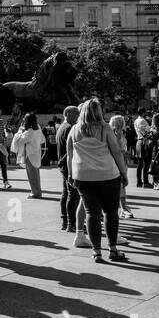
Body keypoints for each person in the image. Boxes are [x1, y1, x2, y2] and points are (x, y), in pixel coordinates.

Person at [68, 99, 128, 263]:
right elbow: (116, 152)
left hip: (84, 176)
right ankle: (113, 249)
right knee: (111, 212)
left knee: (91, 213)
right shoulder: (105, 128)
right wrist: (123, 173)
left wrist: (71, 175)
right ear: (98, 112)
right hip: (108, 175)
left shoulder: (74, 130)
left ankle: (96, 252)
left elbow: (70, 155)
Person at [57, 106, 81, 232]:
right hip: (68, 165)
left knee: (66, 193)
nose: (78, 117)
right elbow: (72, 149)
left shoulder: (62, 127)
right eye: (76, 114)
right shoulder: (69, 128)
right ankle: (71, 223)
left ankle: (65, 221)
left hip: (63, 164)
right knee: (73, 194)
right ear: (68, 114)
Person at [12, 113, 45, 198]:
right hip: (37, 153)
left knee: (31, 175)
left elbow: (20, 141)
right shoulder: (38, 128)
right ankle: (38, 192)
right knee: (36, 175)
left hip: (30, 155)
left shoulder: (29, 131)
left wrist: (19, 132)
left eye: (24, 119)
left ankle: (35, 193)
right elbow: (42, 140)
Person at [109, 115, 135, 219]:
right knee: (120, 185)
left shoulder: (120, 133)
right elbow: (114, 149)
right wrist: (124, 152)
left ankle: (123, 208)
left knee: (121, 186)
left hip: (121, 161)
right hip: (116, 162)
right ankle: (122, 208)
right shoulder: (114, 134)